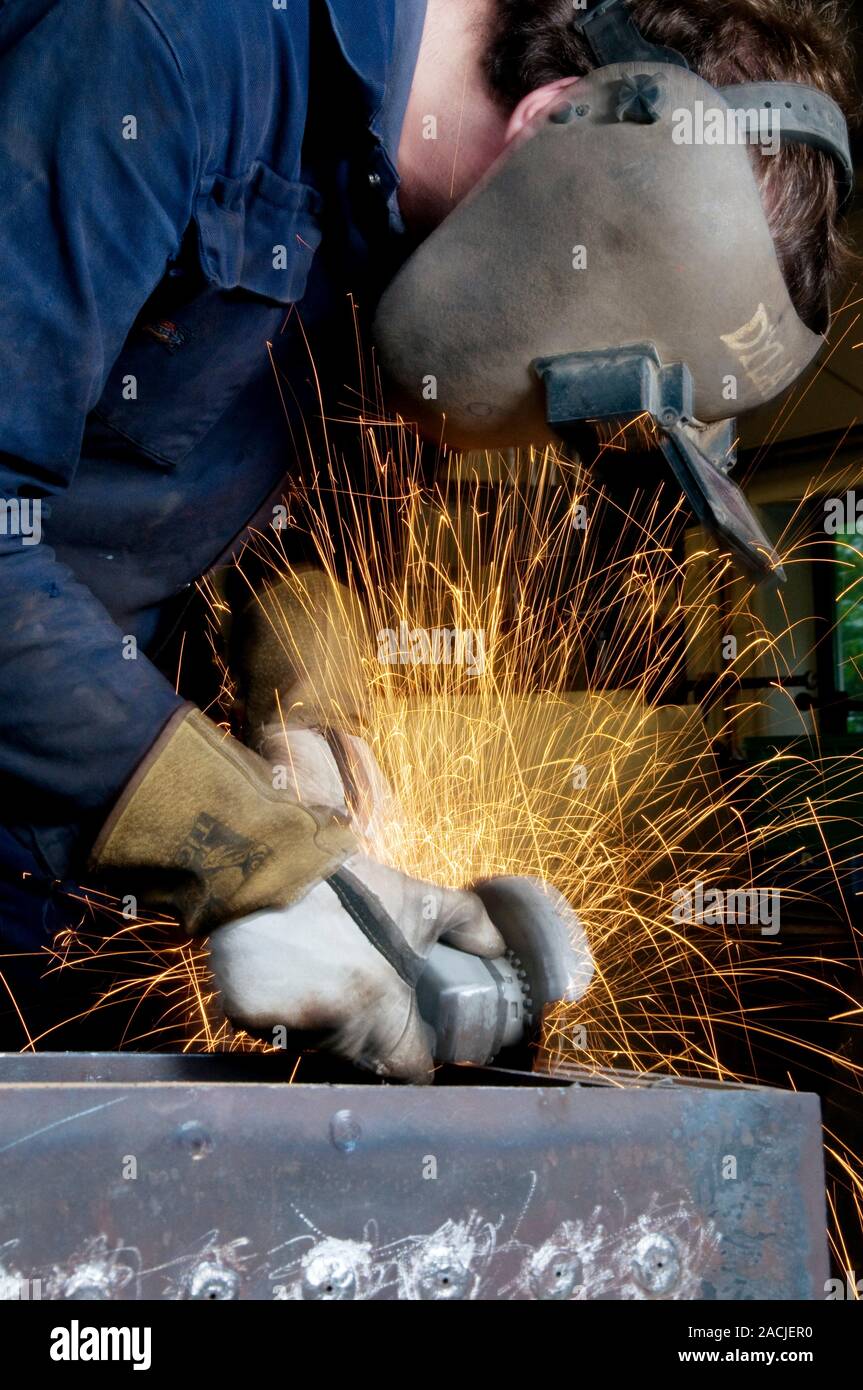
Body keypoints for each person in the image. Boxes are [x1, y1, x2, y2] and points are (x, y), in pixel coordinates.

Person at [0, 0, 855, 1076]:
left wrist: (306, 702)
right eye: (569, 403)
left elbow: (208, 502)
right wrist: (246, 855)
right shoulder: (172, 48)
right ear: (551, 119)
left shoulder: (384, 229)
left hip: (43, 843)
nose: (545, 445)